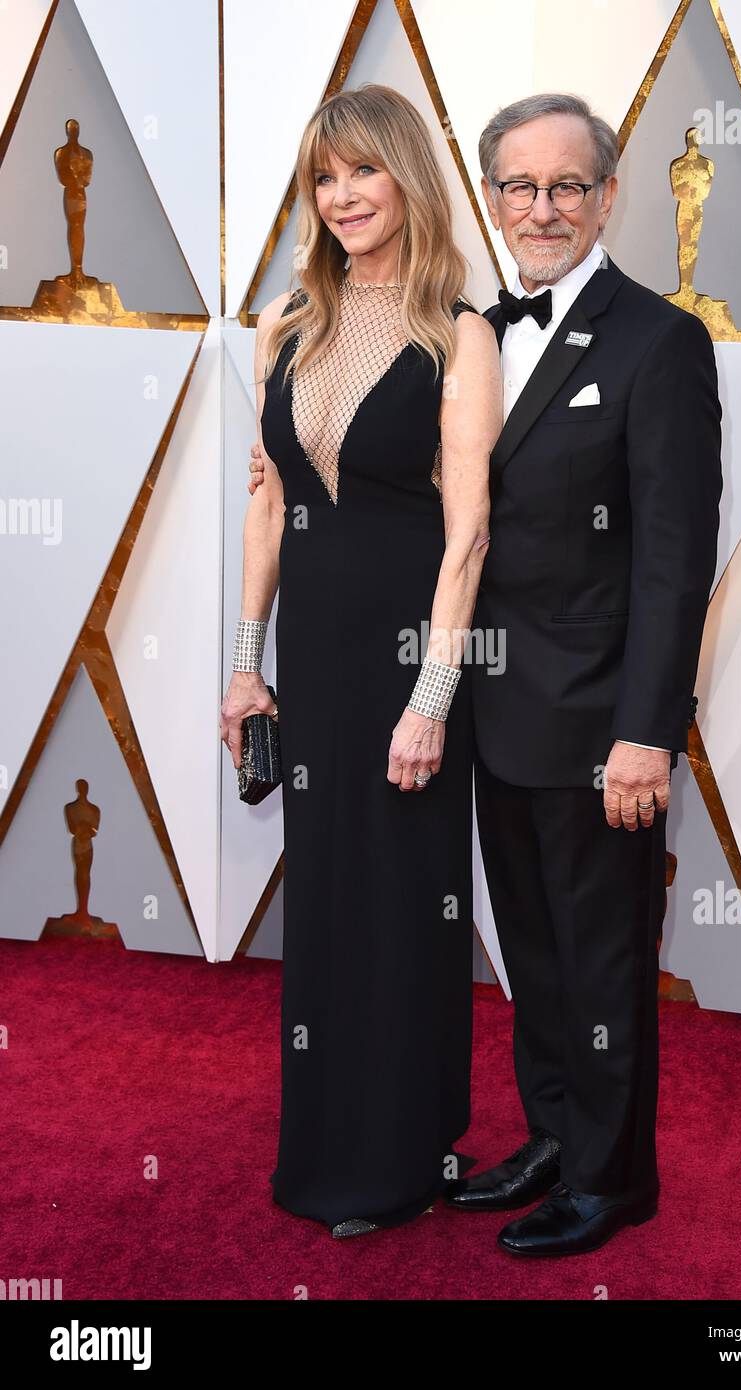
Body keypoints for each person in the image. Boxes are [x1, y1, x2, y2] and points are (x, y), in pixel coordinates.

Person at [222, 82, 501, 1238]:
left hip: (409, 658)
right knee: (330, 901)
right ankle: (330, 1143)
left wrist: (431, 697)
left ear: (406, 181)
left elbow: (469, 529)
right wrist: (245, 662)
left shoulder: (459, 334)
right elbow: (267, 499)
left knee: (405, 906)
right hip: (315, 659)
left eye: (362, 173)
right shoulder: (286, 320)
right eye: (323, 178)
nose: (341, 196)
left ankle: (401, 1154)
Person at [446, 92, 723, 1256]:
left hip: (604, 731)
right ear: (492, 200)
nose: (541, 208)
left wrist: (646, 732)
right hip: (497, 716)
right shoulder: (473, 333)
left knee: (604, 964)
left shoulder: (662, 343)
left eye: (567, 185)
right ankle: (557, 1135)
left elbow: (673, 560)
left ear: (608, 196)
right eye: (518, 186)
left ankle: (614, 1179)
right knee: (536, 959)